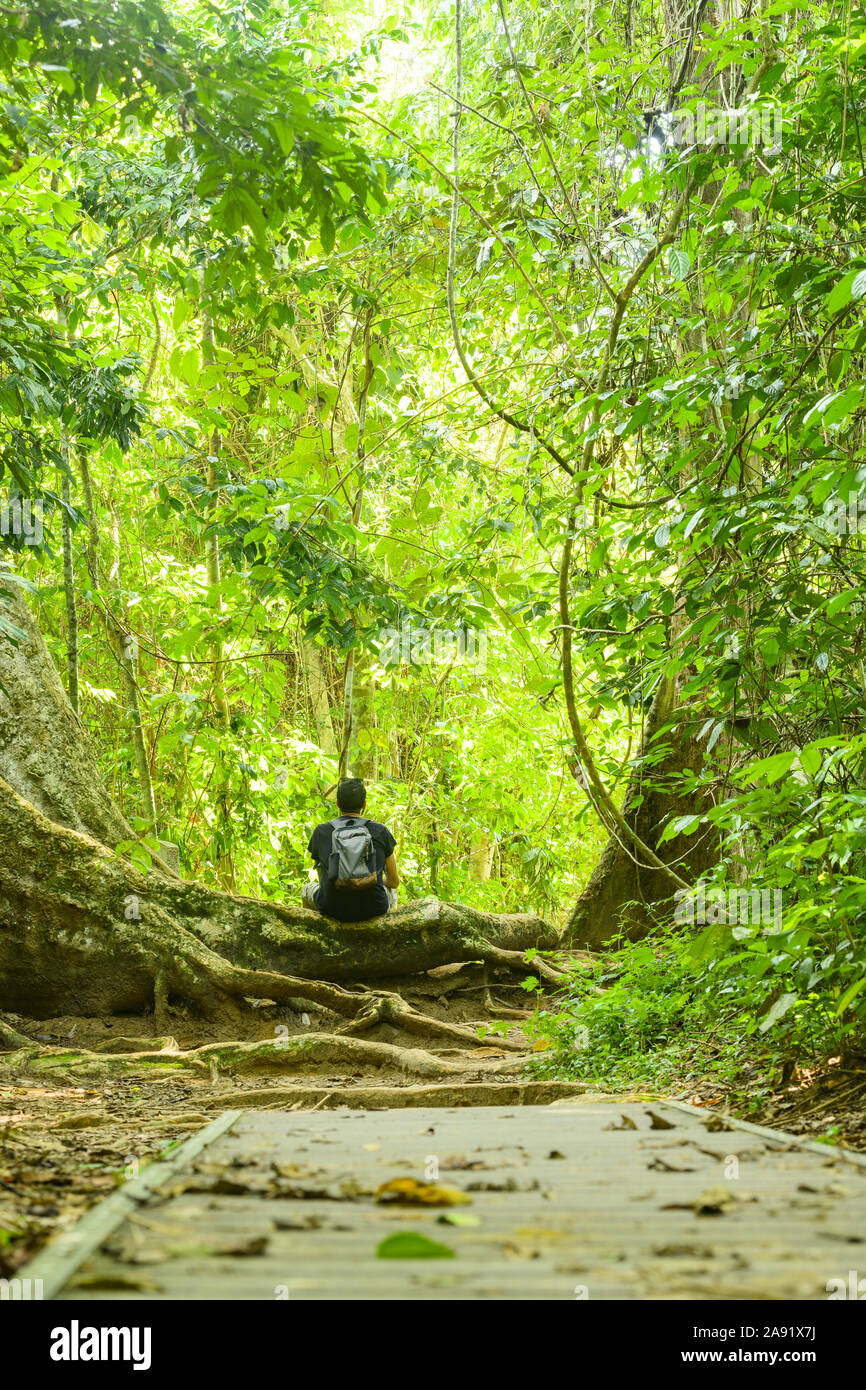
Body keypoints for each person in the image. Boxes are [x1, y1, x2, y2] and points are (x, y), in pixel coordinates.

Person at [302, 778, 400, 922]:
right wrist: (369, 879)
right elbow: (393, 882)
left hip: (332, 908)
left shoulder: (321, 832)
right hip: (374, 908)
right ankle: (387, 932)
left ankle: (315, 931)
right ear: (364, 805)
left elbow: (323, 879)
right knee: (393, 891)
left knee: (306, 890)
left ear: (337, 805)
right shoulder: (380, 831)